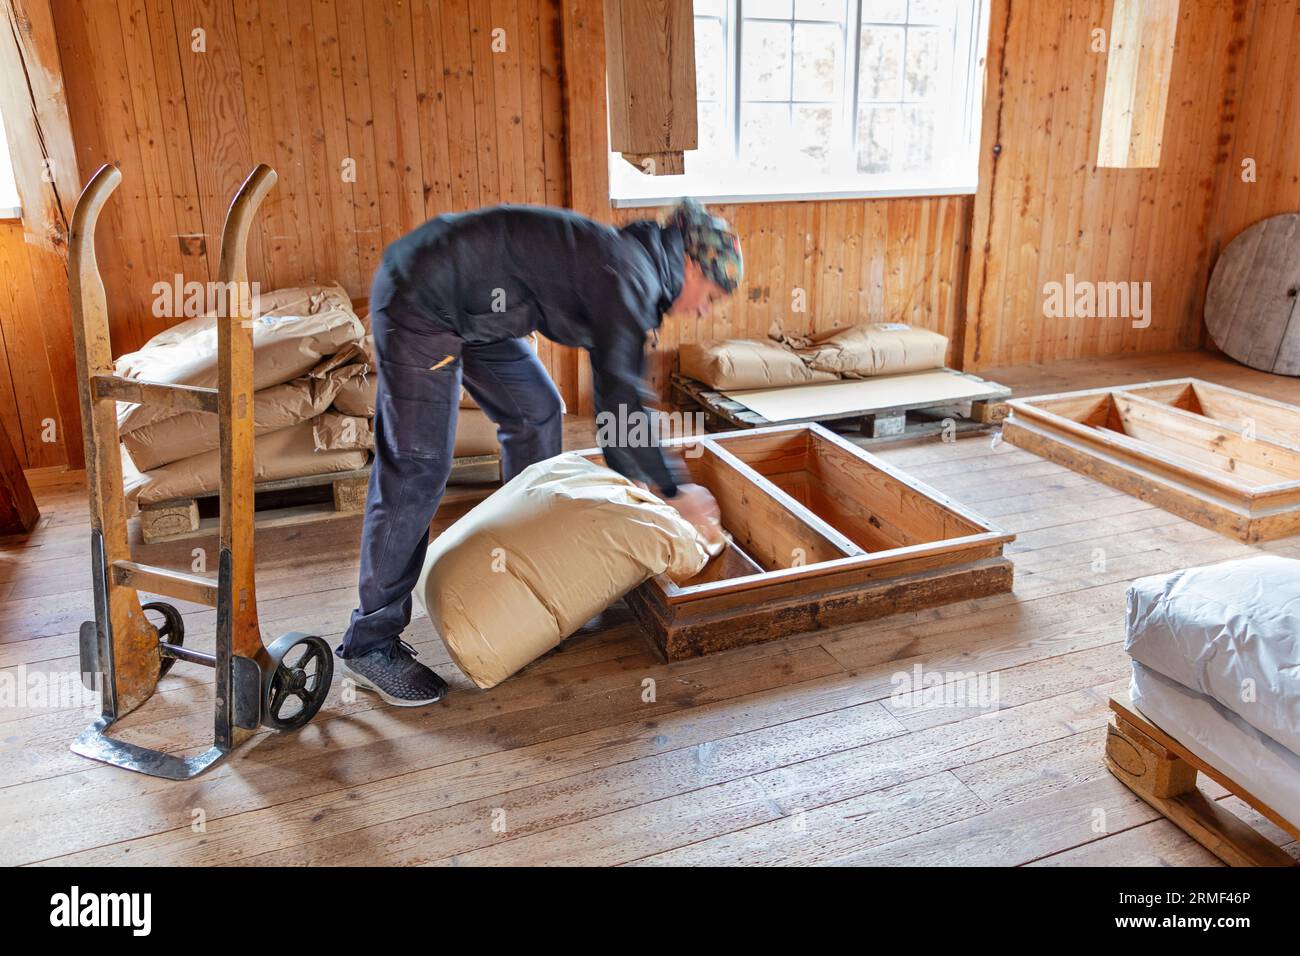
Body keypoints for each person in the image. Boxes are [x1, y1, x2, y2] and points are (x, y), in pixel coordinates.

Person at [337, 198, 743, 705]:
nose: (704, 310)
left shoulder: (634, 269)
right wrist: (673, 488)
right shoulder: (631, 277)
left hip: (477, 310)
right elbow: (620, 407)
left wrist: (638, 482)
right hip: (422, 297)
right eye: (710, 296)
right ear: (689, 264)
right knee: (418, 465)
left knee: (536, 411)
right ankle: (370, 643)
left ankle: (532, 564)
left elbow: (617, 416)